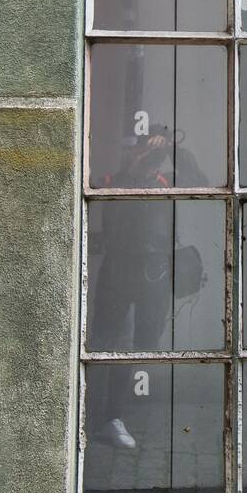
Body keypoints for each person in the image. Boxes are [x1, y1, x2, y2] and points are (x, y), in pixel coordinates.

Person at [88, 126, 208, 449]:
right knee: (110, 341)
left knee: (144, 342)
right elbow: (101, 189)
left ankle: (117, 409)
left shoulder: (166, 180)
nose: (151, 158)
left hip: (154, 275)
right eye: (144, 149)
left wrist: (173, 150)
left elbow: (201, 182)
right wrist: (136, 163)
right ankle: (108, 416)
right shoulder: (121, 178)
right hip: (118, 272)